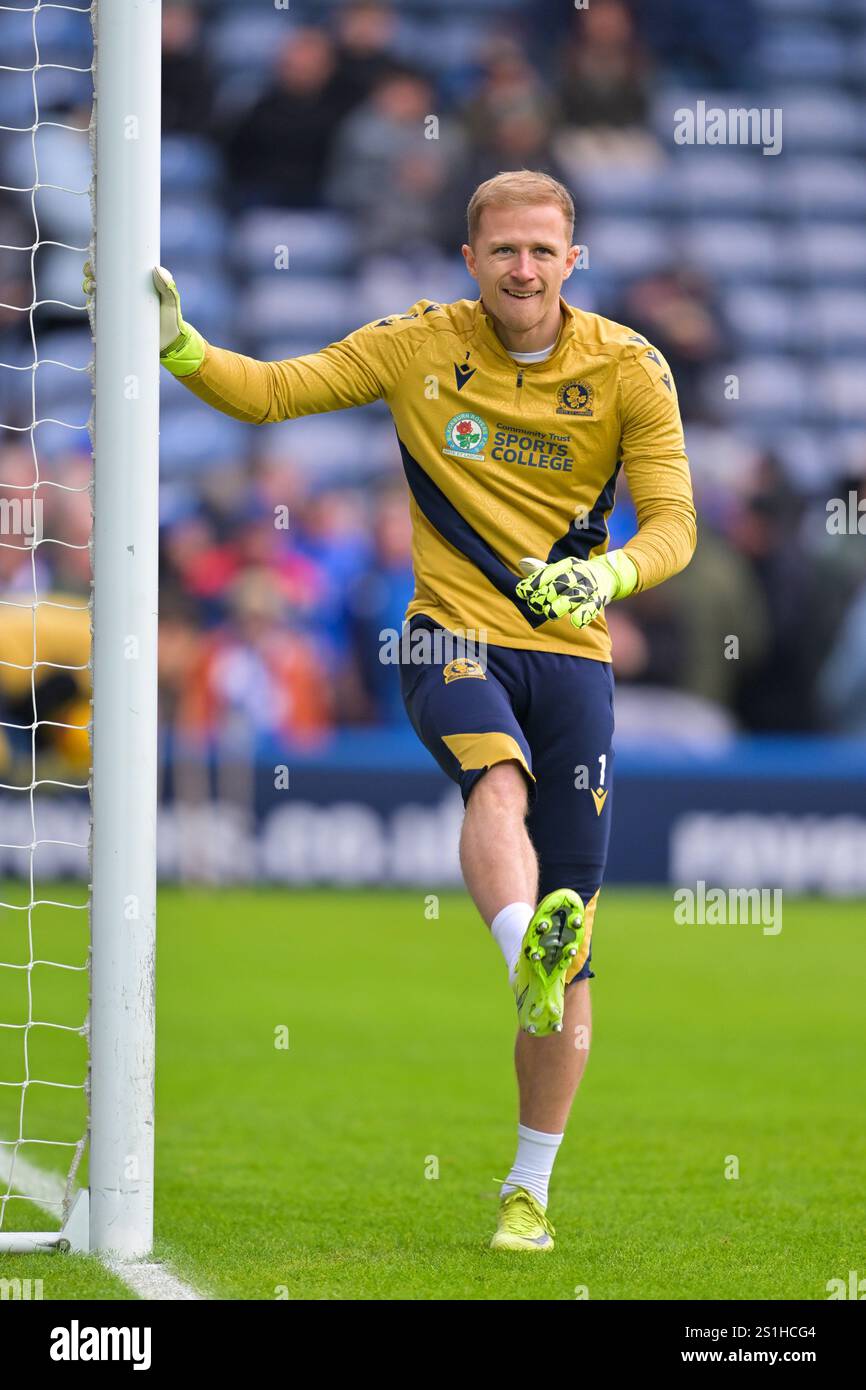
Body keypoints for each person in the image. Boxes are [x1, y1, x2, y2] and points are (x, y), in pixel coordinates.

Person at [87, 169, 696, 1253]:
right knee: (492, 776)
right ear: (469, 259)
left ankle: (527, 1187)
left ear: (572, 260)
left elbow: (674, 525)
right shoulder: (416, 343)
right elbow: (272, 392)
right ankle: (525, 947)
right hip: (448, 634)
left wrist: (605, 582)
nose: (522, 268)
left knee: (578, 959)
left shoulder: (629, 366)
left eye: (541, 251)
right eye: (502, 250)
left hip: (574, 655)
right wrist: (178, 345)